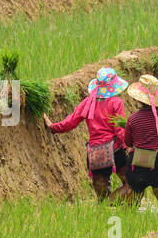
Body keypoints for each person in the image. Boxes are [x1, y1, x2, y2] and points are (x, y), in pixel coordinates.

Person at [45, 67, 129, 200]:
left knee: (102, 194)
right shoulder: (116, 103)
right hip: (114, 150)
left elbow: (70, 122)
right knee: (131, 184)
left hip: (95, 153)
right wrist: (127, 147)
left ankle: (106, 206)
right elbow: (119, 130)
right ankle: (114, 204)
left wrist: (53, 127)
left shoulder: (87, 102)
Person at [118, 73, 158, 206]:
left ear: (139, 99)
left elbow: (128, 142)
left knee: (131, 203)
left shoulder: (133, 119)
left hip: (139, 161)